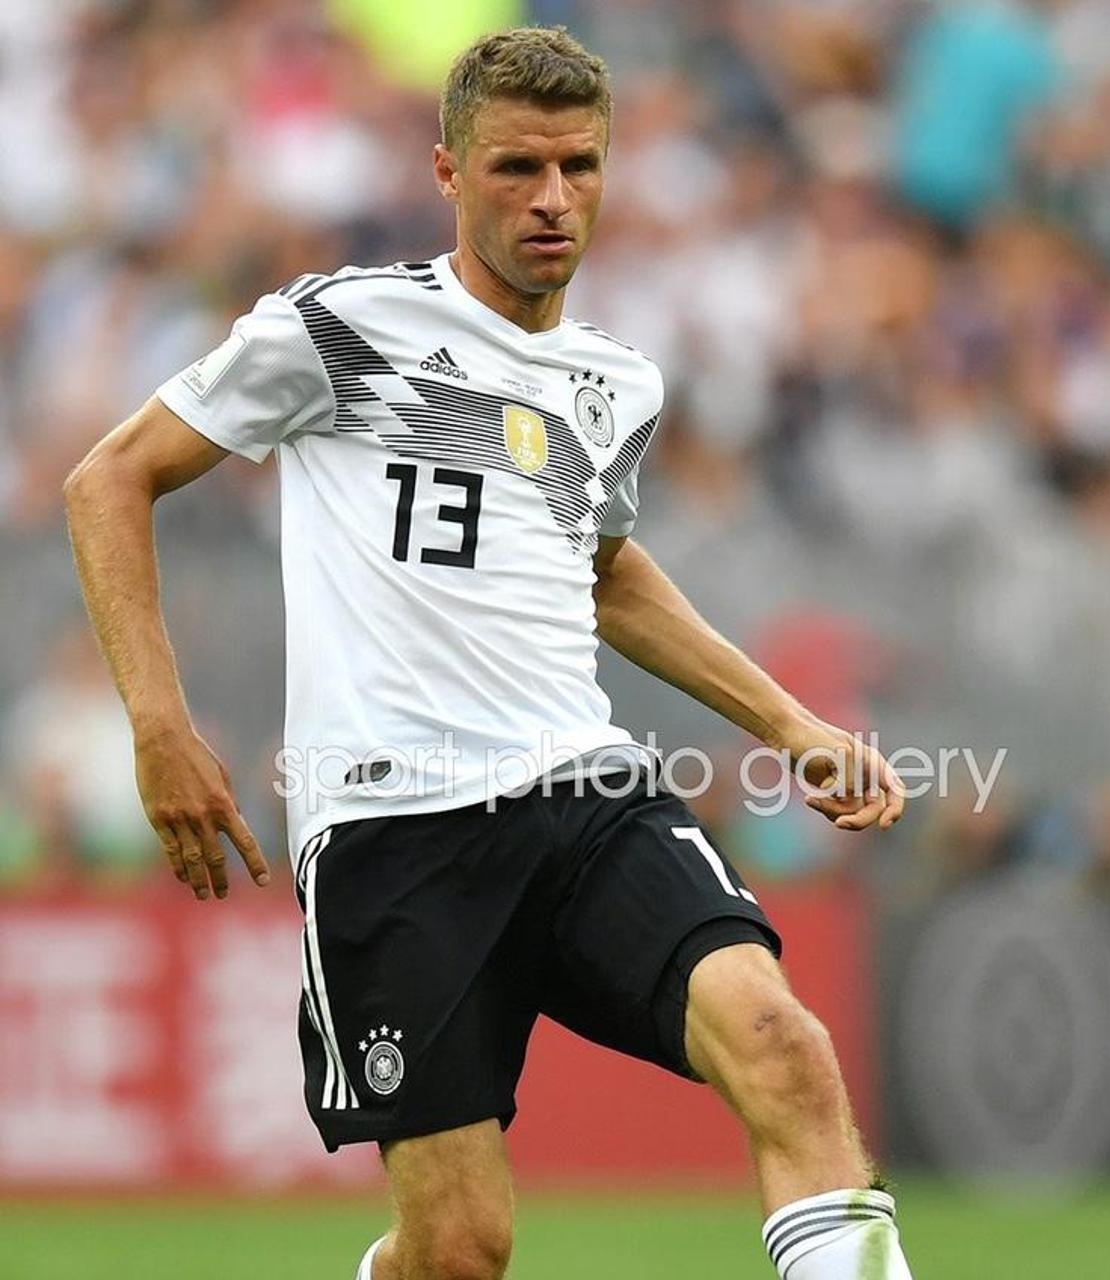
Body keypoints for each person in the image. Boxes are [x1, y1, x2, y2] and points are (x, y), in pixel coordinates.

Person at [64, 26, 911, 1280]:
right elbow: (110, 477)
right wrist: (158, 721)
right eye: (517, 167)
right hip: (393, 831)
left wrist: (785, 723)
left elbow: (602, 569)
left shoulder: (610, 384)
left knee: (784, 1047)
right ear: (449, 173)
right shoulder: (340, 327)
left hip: (583, 792)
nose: (553, 198)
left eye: (579, 166)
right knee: (459, 1250)